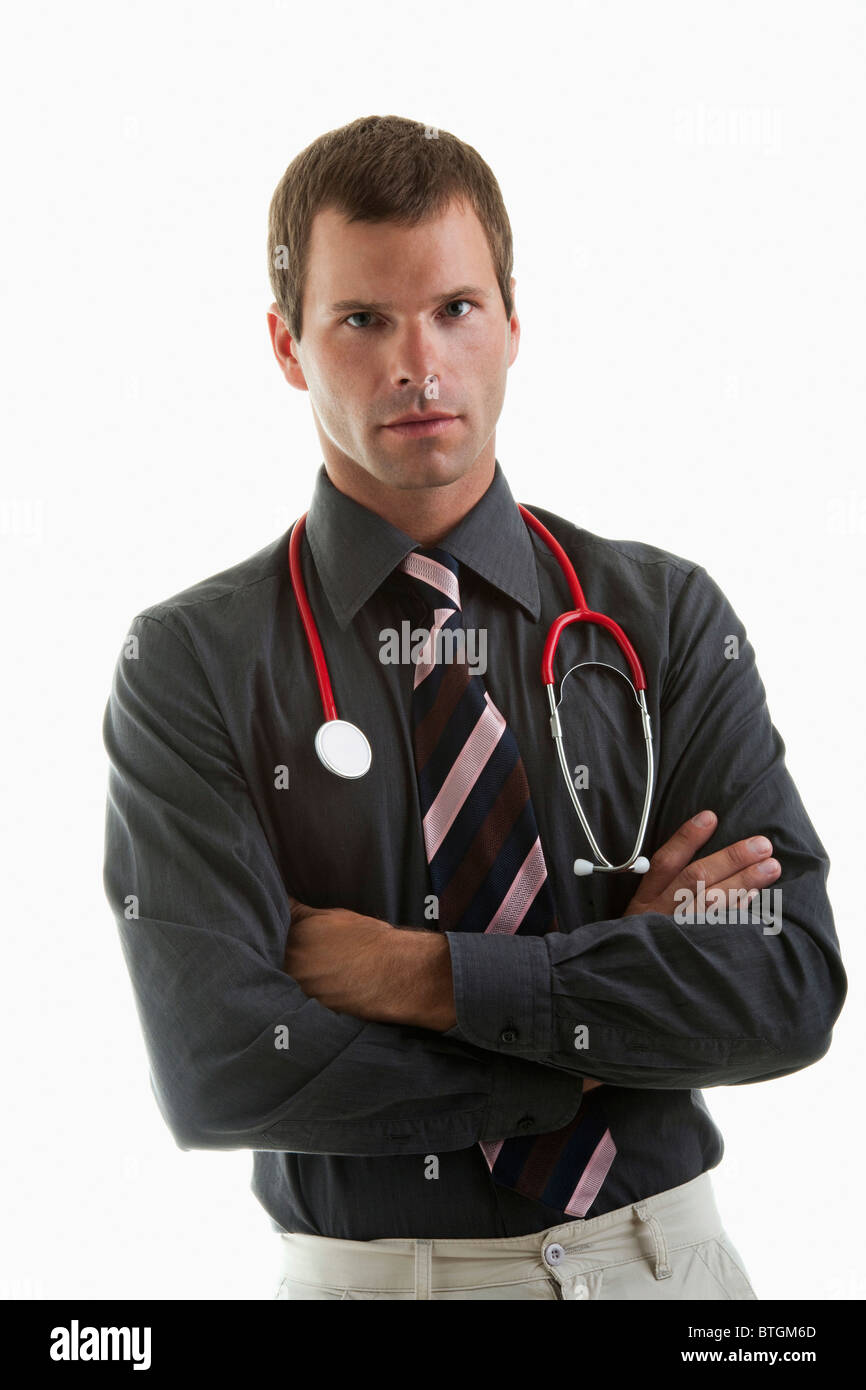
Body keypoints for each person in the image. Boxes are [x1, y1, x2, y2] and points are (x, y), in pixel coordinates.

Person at [102, 114, 847, 1301]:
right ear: (288, 346)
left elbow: (787, 983)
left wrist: (408, 972)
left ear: (511, 324)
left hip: (666, 1271)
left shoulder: (657, 617)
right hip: (379, 1280)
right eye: (361, 319)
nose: (417, 362)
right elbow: (223, 1063)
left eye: (454, 307)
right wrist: (607, 1017)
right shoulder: (193, 662)